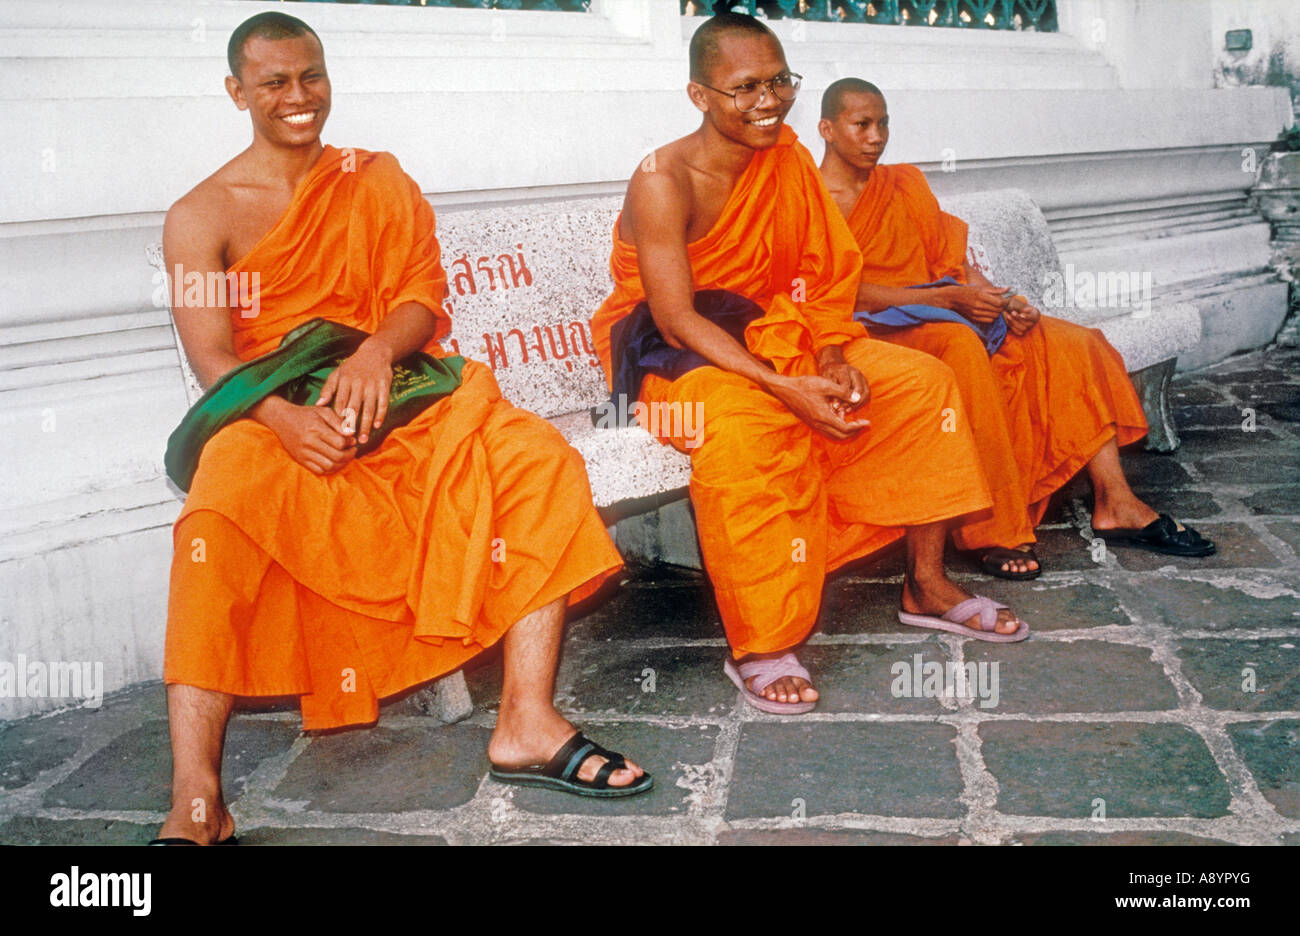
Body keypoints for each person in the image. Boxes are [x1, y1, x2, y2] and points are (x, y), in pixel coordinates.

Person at [154, 12, 649, 845]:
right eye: (274, 82)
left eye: (311, 75)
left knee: (535, 457)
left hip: (402, 392)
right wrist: (282, 419)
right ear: (237, 92)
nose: (299, 96)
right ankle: (196, 794)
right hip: (266, 405)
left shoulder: (375, 179)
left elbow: (422, 297)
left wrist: (377, 354)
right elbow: (211, 359)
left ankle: (526, 719)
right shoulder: (199, 215)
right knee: (214, 512)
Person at [590, 13, 1029, 717]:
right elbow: (676, 317)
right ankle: (762, 644)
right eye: (744, 88)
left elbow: (822, 279)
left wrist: (829, 352)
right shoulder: (663, 178)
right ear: (699, 95)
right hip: (673, 353)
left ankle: (926, 583)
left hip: (774, 332)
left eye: (779, 82)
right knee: (743, 427)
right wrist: (781, 384)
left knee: (921, 384)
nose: (769, 102)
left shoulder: (788, 159)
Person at [817, 78, 1214, 579]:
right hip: (873, 329)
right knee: (962, 347)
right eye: (862, 125)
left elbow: (953, 261)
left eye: (884, 123)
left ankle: (1116, 502)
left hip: (943, 308)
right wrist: (941, 300)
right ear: (827, 129)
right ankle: (991, 531)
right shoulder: (812, 199)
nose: (876, 137)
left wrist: (1004, 302)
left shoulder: (903, 183)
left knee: (1073, 342)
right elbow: (833, 290)